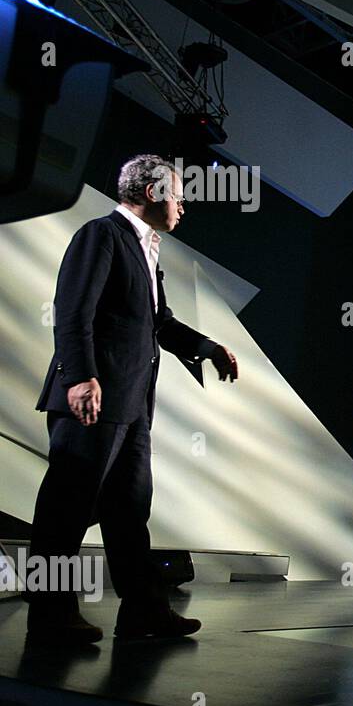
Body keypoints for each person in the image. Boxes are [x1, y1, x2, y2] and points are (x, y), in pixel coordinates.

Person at [26, 154, 239, 645]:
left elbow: (157, 322)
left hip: (131, 406)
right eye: (178, 195)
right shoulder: (102, 235)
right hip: (91, 400)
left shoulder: (147, 248)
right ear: (151, 193)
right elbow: (72, 310)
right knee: (65, 512)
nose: (183, 204)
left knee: (128, 512)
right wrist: (80, 378)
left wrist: (206, 348)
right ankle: (50, 617)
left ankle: (144, 613)